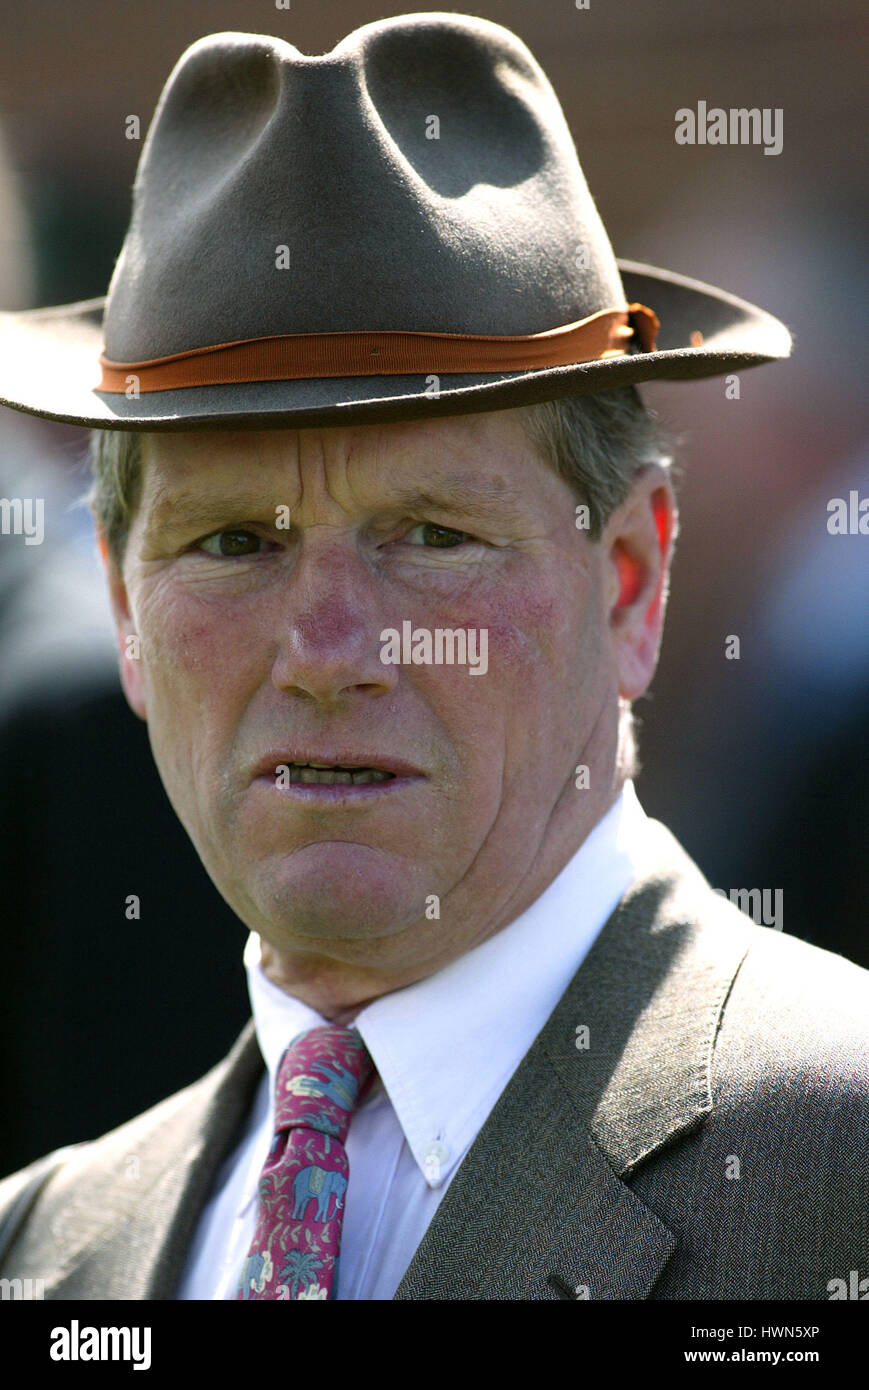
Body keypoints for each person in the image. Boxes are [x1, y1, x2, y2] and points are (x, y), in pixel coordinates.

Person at [0, 13, 865, 1302]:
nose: (329, 651)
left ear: (628, 582)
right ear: (124, 610)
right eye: (234, 540)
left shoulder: (837, 1161)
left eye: (432, 534)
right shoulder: (49, 1249)